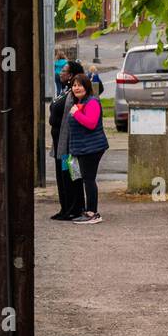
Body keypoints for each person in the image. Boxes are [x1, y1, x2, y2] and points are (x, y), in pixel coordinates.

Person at [66, 72, 109, 224]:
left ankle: (93, 213)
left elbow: (91, 123)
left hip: (92, 148)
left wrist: (76, 113)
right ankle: (89, 210)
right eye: (74, 85)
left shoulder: (92, 102)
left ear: (87, 86)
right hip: (83, 148)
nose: (76, 88)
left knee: (89, 179)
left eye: (80, 85)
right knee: (86, 179)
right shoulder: (79, 102)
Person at [48, 70, 83, 220]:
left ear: (71, 75)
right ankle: (65, 208)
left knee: (70, 176)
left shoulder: (73, 95)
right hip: (59, 143)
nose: (60, 72)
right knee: (61, 177)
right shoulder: (64, 91)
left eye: (64, 71)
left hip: (68, 145)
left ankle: (74, 208)